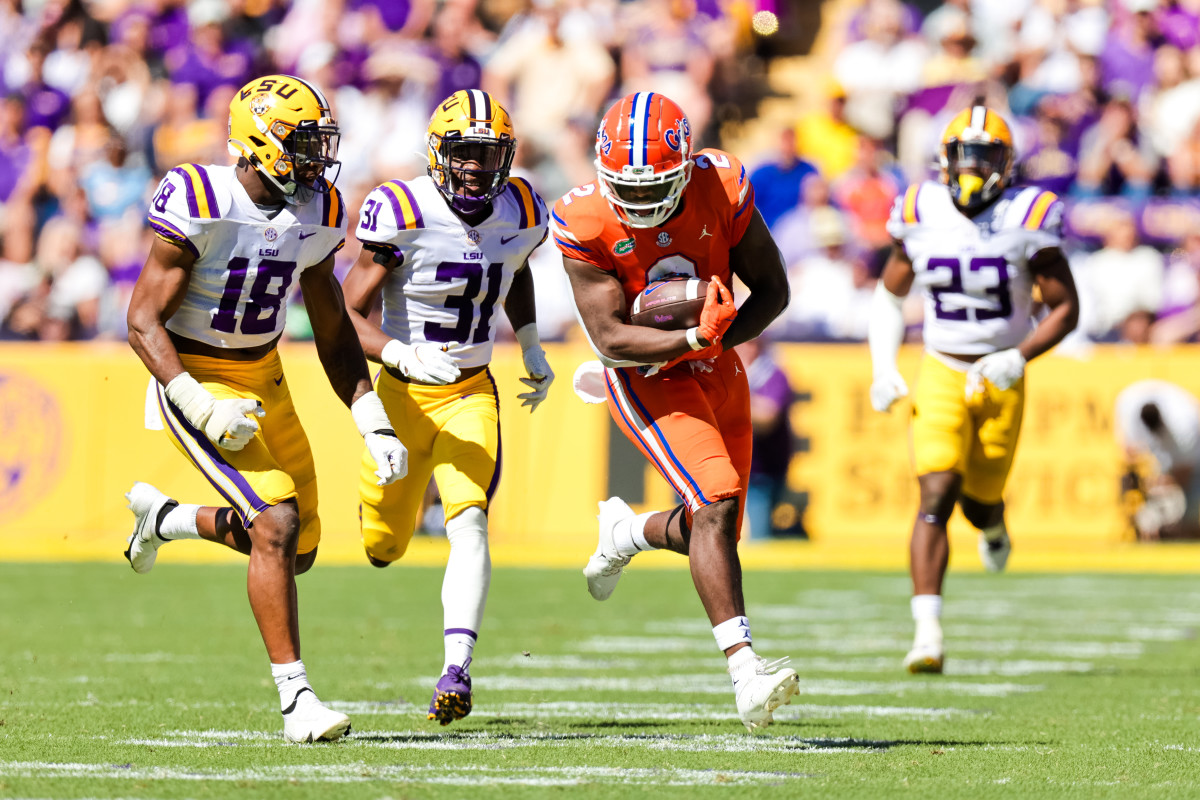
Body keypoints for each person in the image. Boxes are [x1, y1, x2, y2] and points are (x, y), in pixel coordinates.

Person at [123, 75, 408, 743]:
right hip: (194, 376)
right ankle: (296, 702)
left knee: (297, 549)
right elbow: (141, 320)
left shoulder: (319, 209)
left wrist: (371, 418)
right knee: (274, 524)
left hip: (266, 375)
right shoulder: (199, 199)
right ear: (259, 143)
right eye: (302, 143)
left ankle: (168, 519)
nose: (316, 158)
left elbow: (333, 326)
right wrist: (194, 402)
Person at [552, 92, 797, 732]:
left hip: (717, 366)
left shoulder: (722, 183)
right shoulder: (583, 219)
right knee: (713, 504)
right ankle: (747, 674)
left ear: (685, 168)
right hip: (644, 374)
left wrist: (715, 339)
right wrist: (690, 339)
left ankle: (628, 533)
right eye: (625, 190)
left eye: (653, 187)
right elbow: (610, 338)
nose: (636, 204)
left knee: (717, 529)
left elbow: (773, 290)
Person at [343, 89, 553, 726]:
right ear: (438, 153)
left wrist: (533, 343)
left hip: (470, 390)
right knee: (384, 545)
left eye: (488, 155)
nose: (475, 167)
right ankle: (389, 527)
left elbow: (514, 267)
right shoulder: (401, 207)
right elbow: (345, 314)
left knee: (471, 523)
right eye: (464, 152)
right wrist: (400, 355)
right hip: (403, 395)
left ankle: (456, 666)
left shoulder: (520, 206)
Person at [868, 105, 1079, 674]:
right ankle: (927, 632)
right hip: (939, 367)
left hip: (1000, 373)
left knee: (978, 503)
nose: (972, 166)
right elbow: (889, 296)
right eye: (965, 153)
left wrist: (1019, 355)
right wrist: (883, 366)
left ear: (1006, 163)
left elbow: (1065, 308)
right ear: (945, 158)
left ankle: (992, 521)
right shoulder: (919, 210)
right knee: (935, 493)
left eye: (985, 155)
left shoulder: (1027, 214)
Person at [1115, 380, 1200, 541]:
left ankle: (1185, 533)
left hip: (1194, 458)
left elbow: (1185, 473)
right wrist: (1145, 483)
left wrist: (1161, 483)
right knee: (1137, 491)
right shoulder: (1128, 406)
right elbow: (1128, 456)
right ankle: (1154, 532)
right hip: (1164, 465)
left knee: (1189, 511)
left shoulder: (1184, 424)